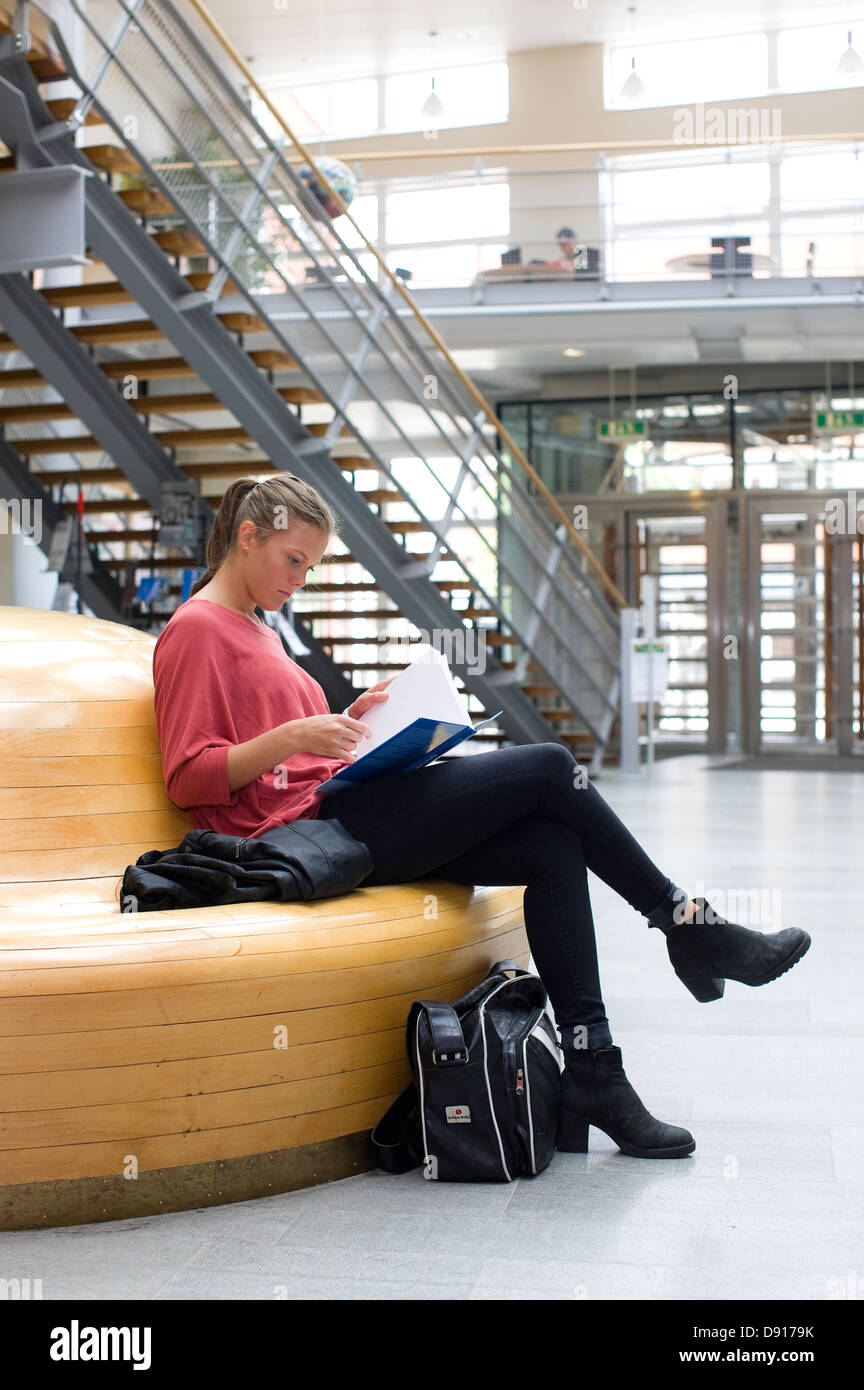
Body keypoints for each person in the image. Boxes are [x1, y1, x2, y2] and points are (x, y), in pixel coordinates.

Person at [153, 475, 811, 1162]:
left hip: (341, 809)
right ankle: (690, 929)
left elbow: (278, 743)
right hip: (310, 835)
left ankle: (595, 1070)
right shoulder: (196, 629)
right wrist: (295, 739)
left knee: (553, 847)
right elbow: (188, 776)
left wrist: (350, 725)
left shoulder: (258, 625)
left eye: (311, 567)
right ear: (248, 537)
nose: (301, 579)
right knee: (553, 768)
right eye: (294, 561)